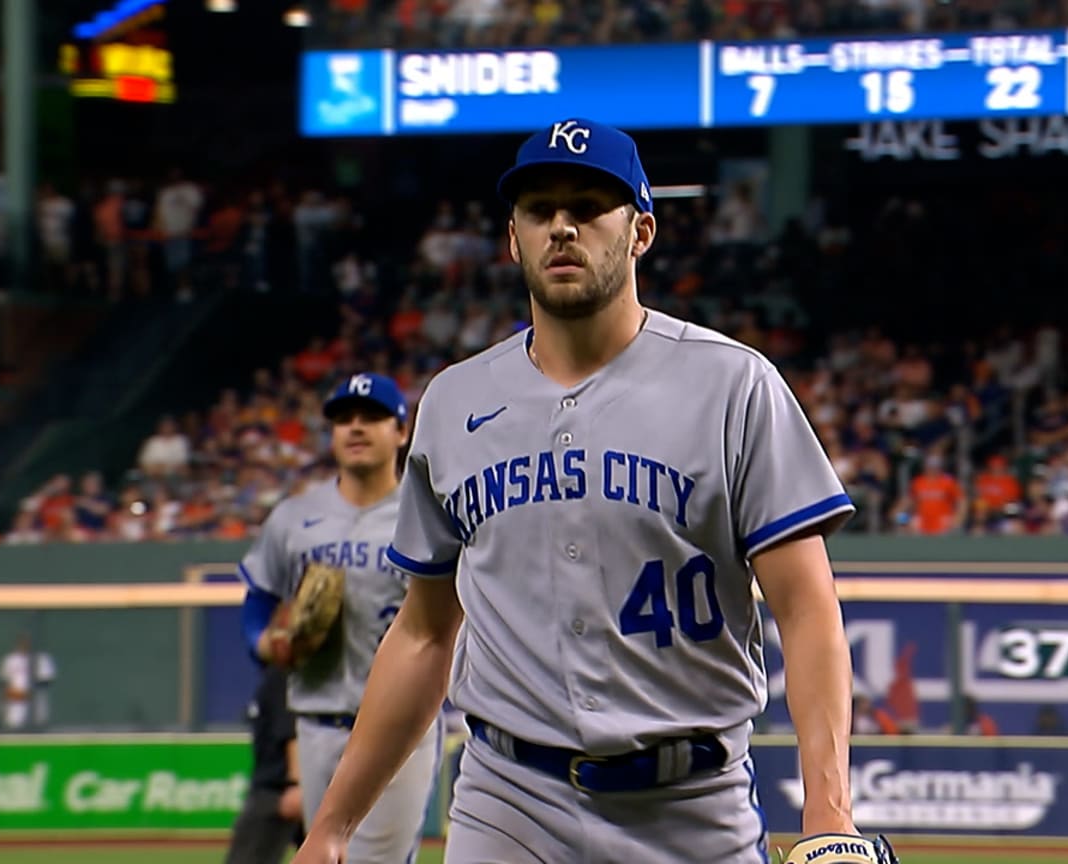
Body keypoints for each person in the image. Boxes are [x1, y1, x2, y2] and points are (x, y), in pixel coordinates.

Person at [296, 119, 877, 863]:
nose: (562, 226)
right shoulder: (451, 401)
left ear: (640, 232)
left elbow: (806, 607)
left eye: (588, 206)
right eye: (539, 210)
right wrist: (332, 827)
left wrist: (829, 810)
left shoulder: (734, 385)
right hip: (506, 800)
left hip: (691, 807)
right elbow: (423, 632)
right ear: (513, 239)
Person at [239, 371, 440, 863]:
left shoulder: (425, 514)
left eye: (371, 418)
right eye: (344, 419)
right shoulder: (294, 517)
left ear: (400, 431)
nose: (355, 427)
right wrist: (267, 643)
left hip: (399, 728)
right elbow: (257, 598)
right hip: (317, 721)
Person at [224, 664, 306, 864]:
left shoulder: (282, 676)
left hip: (276, 793)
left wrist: (295, 784)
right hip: (280, 790)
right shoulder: (279, 676)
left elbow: (290, 731)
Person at [0, 633, 55, 730]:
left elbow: (46, 681)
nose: (25, 644)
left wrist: (27, 694)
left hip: (36, 702)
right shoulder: (10, 659)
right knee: (14, 729)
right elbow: (3, 682)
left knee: (38, 730)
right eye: (22, 641)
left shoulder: (41, 658)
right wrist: (9, 693)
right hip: (15, 703)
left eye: (27, 641)